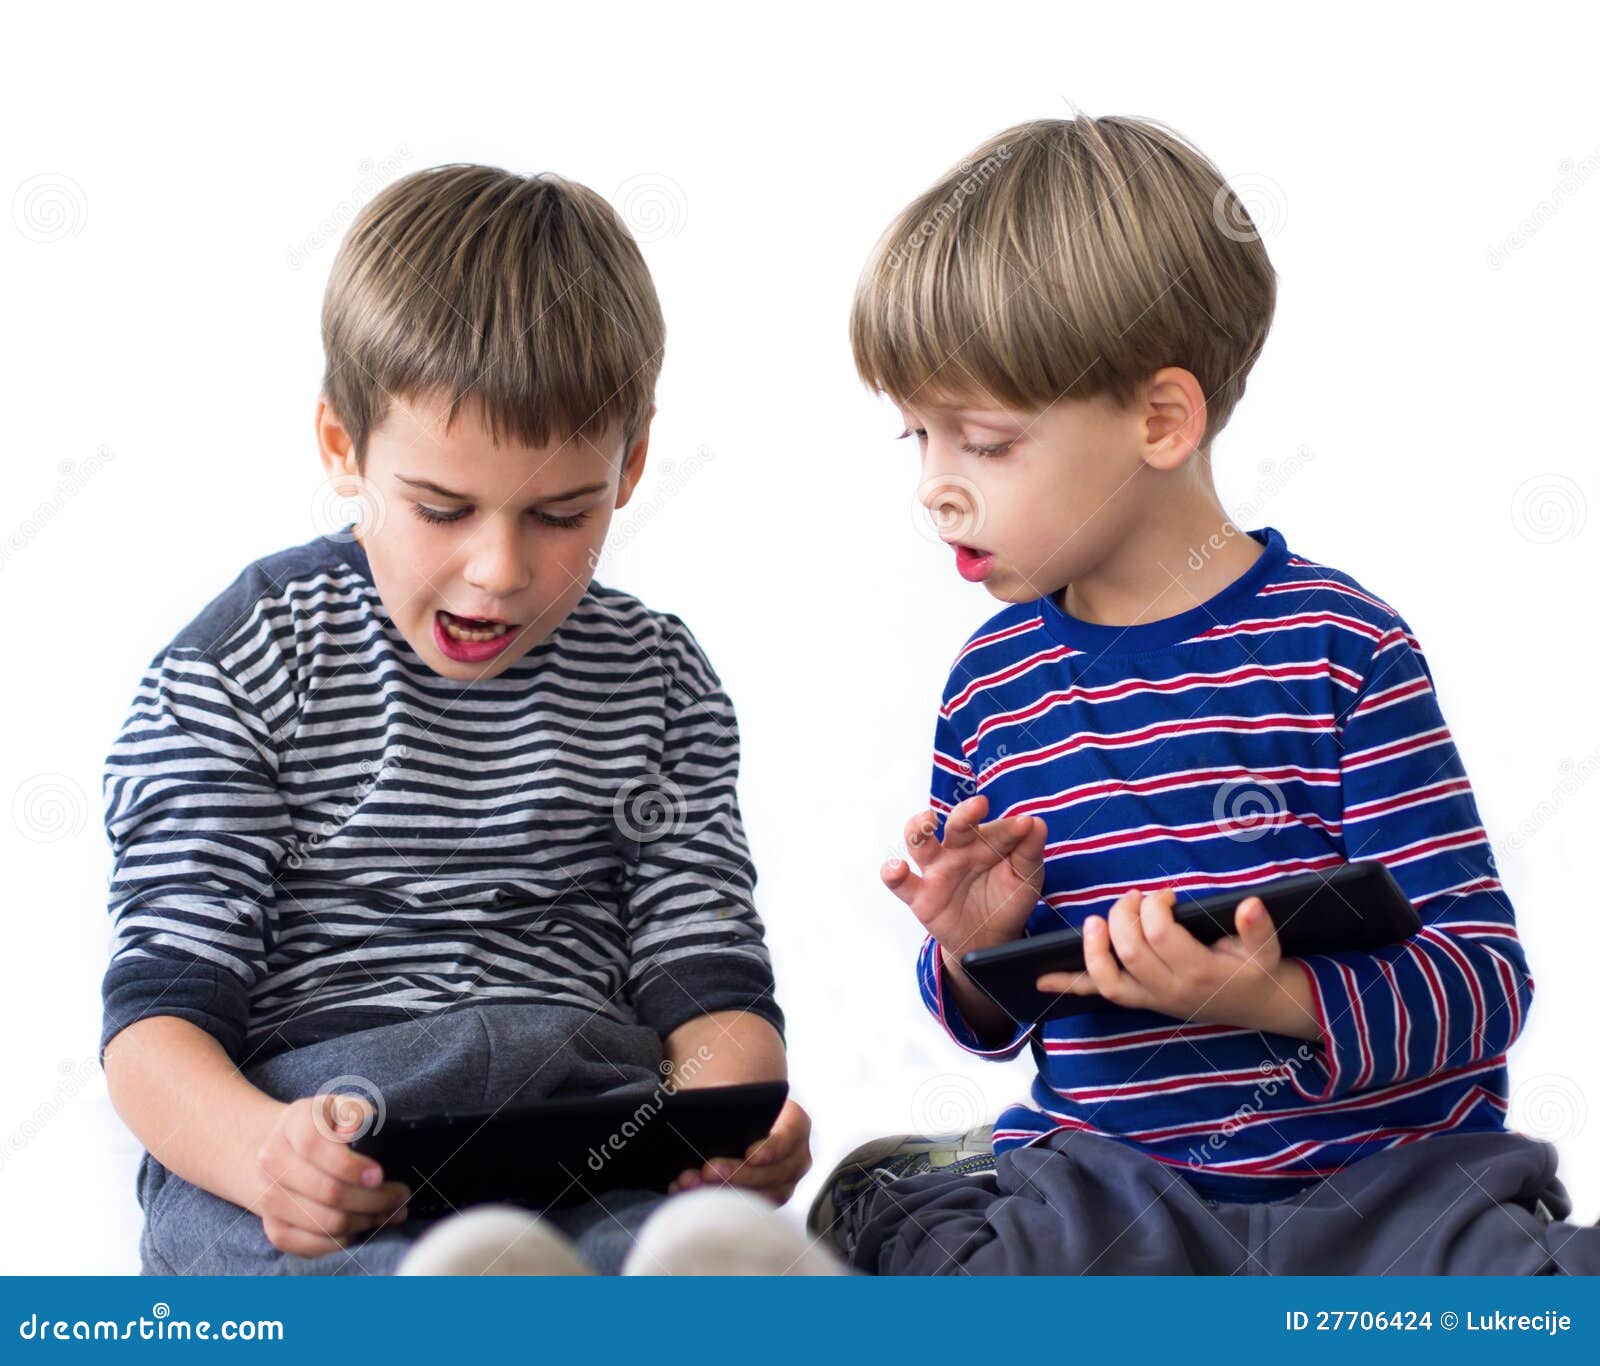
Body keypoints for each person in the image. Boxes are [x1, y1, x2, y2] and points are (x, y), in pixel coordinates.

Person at [819, 113, 1599, 1274]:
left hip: (1383, 1194)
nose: (935, 488)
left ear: (1159, 420)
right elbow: (991, 1018)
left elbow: (1482, 982)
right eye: (915, 438)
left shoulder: (1341, 649)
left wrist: (1273, 994)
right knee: (937, 1251)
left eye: (981, 443)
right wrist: (976, 953)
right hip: (1116, 1192)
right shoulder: (994, 685)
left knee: (1533, 1297)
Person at [98, 164, 831, 1276]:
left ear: (629, 467)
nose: (497, 571)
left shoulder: (660, 680)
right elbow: (156, 1023)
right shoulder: (243, 658)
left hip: (587, 1129)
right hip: (319, 1132)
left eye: (559, 513)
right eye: (442, 509)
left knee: (670, 1251)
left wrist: (729, 1126)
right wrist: (263, 1157)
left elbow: (711, 985)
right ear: (343, 449)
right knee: (297, 1264)